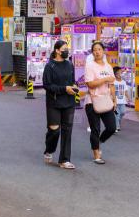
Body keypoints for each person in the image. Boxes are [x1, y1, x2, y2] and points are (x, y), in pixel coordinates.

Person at [42, 40, 79, 169]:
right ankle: (49, 149)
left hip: (69, 102)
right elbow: (47, 85)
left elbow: (72, 81)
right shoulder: (50, 66)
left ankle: (64, 160)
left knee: (67, 130)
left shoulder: (69, 64)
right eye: (64, 49)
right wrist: (64, 89)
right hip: (54, 102)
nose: (66, 51)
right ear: (57, 51)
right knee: (54, 130)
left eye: (67, 49)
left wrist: (74, 87)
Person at [84, 41, 117, 165]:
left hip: (106, 100)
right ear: (92, 53)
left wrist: (114, 99)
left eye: (99, 49)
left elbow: (112, 84)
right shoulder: (90, 66)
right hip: (92, 101)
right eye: (95, 50)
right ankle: (97, 155)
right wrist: (105, 79)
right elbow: (90, 84)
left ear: (103, 51)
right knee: (95, 129)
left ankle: (99, 142)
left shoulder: (108, 67)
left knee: (111, 127)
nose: (97, 52)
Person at [112, 66, 128, 132]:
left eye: (120, 72)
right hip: (115, 102)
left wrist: (128, 97)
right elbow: (111, 91)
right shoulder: (113, 82)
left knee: (123, 112)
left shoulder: (123, 82)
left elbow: (125, 91)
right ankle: (117, 127)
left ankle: (117, 122)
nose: (119, 74)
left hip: (122, 101)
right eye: (118, 73)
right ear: (115, 74)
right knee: (117, 114)